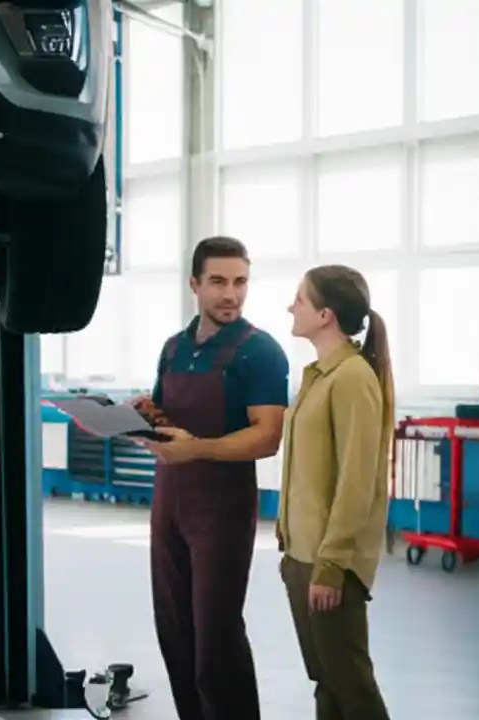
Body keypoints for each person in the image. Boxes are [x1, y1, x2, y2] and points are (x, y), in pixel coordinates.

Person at [133, 235, 289, 720]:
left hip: (221, 509)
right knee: (175, 628)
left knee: (216, 635)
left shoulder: (260, 351)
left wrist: (197, 448)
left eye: (240, 282)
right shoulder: (174, 348)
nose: (231, 294)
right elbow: (167, 415)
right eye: (219, 282)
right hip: (169, 501)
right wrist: (143, 417)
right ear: (194, 284)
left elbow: (267, 437)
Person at [277, 264, 394, 720]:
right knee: (328, 684)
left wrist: (330, 565)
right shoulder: (321, 375)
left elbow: (357, 482)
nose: (292, 306)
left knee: (352, 687)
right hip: (303, 555)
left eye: (300, 299)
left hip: (330, 563)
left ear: (325, 315)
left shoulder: (351, 379)